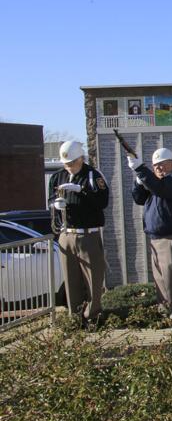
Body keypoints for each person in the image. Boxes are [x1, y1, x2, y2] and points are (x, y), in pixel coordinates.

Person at [47, 140, 109, 327]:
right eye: (66, 164)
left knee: (92, 280)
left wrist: (82, 191)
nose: (69, 167)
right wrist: (55, 204)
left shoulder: (92, 175)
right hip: (66, 233)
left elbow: (102, 201)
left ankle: (93, 316)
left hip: (87, 234)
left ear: (81, 158)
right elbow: (51, 197)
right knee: (70, 279)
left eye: (72, 162)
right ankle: (74, 317)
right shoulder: (58, 177)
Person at [129, 148, 172, 326]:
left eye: (163, 165)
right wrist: (138, 181)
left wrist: (141, 170)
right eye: (156, 166)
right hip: (156, 239)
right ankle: (167, 315)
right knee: (161, 282)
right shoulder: (157, 183)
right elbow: (139, 198)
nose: (159, 169)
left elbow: (162, 190)